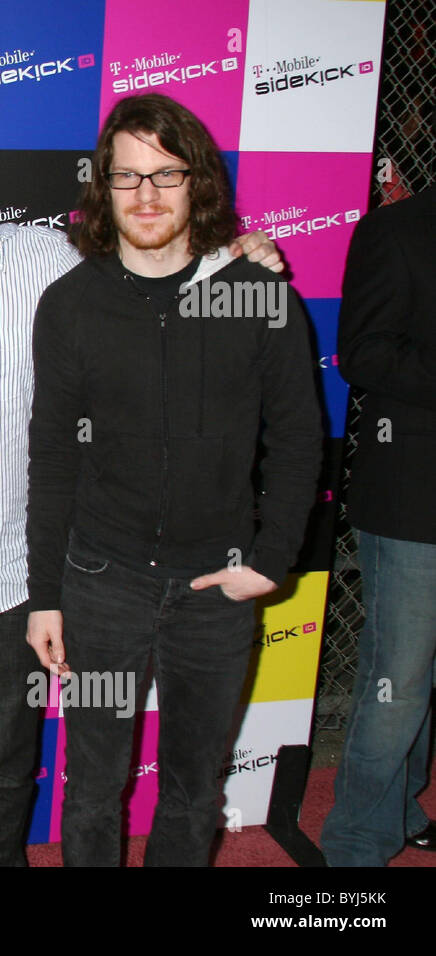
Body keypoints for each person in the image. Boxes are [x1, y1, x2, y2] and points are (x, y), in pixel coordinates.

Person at [0, 109, 285, 867]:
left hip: (9, 566)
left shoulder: (44, 260)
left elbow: (158, 272)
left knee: (0, 762)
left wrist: (238, 256)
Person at [25, 93, 322, 866]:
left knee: (194, 790)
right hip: (99, 581)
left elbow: (297, 439)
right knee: (90, 787)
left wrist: (271, 556)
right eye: (127, 178)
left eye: (165, 175)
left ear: (198, 184)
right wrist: (45, 595)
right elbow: (52, 452)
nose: (147, 195)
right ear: (103, 187)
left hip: (216, 591)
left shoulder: (257, 295)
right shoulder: (68, 305)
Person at [322, 186, 436, 866]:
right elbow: (363, 352)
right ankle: (357, 849)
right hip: (416, 499)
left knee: (417, 671)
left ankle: (398, 806)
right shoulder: (396, 232)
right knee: (399, 678)